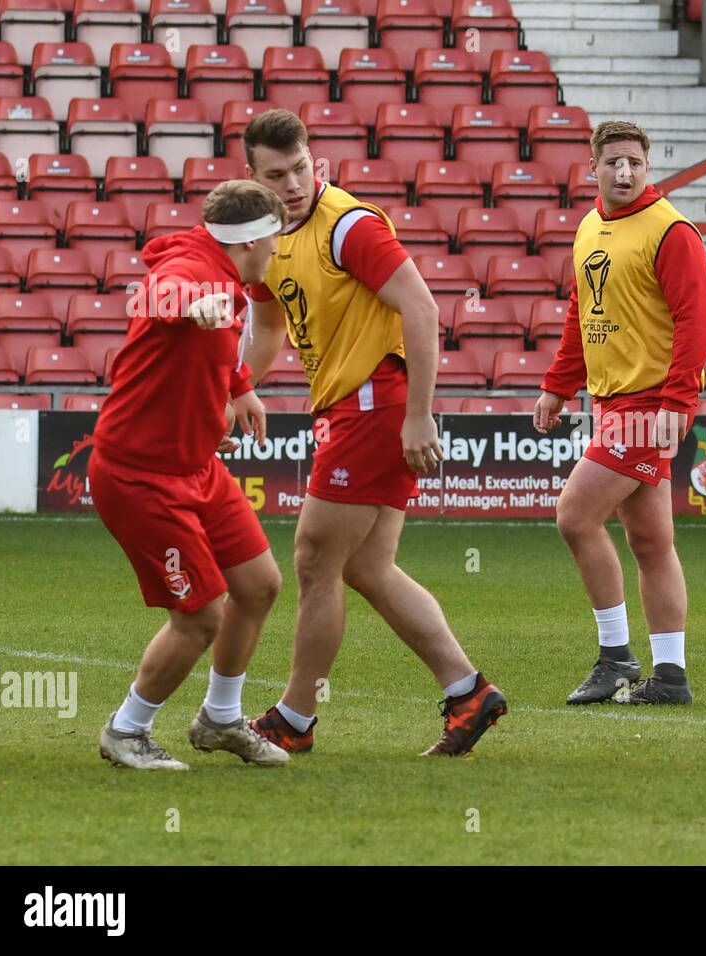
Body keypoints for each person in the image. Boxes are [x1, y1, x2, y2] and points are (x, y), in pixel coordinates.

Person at [239, 108, 506, 756]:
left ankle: (294, 720)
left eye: (301, 168)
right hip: (352, 408)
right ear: (253, 179)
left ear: (318, 164)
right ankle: (467, 691)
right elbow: (269, 329)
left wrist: (419, 413)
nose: (294, 183)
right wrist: (233, 387)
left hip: (373, 404)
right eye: (277, 174)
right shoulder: (269, 241)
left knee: (312, 559)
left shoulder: (348, 225)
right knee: (366, 566)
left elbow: (421, 306)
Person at [93, 179, 290, 770]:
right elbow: (162, 293)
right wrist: (190, 304)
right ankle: (126, 731)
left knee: (258, 585)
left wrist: (239, 388)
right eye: (274, 241)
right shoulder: (191, 269)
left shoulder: (226, 273)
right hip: (140, 476)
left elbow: (216, 345)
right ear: (252, 240)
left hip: (196, 468)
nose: (277, 252)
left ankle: (220, 719)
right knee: (201, 615)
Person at [533, 120, 706, 705]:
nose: (625, 172)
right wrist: (559, 386)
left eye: (634, 161)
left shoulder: (671, 231)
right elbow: (579, 313)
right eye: (613, 162)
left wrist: (678, 401)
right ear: (594, 168)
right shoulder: (589, 227)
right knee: (651, 542)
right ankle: (671, 678)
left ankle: (616, 657)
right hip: (612, 401)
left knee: (575, 516)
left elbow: (695, 322)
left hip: (647, 404)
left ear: (647, 163)